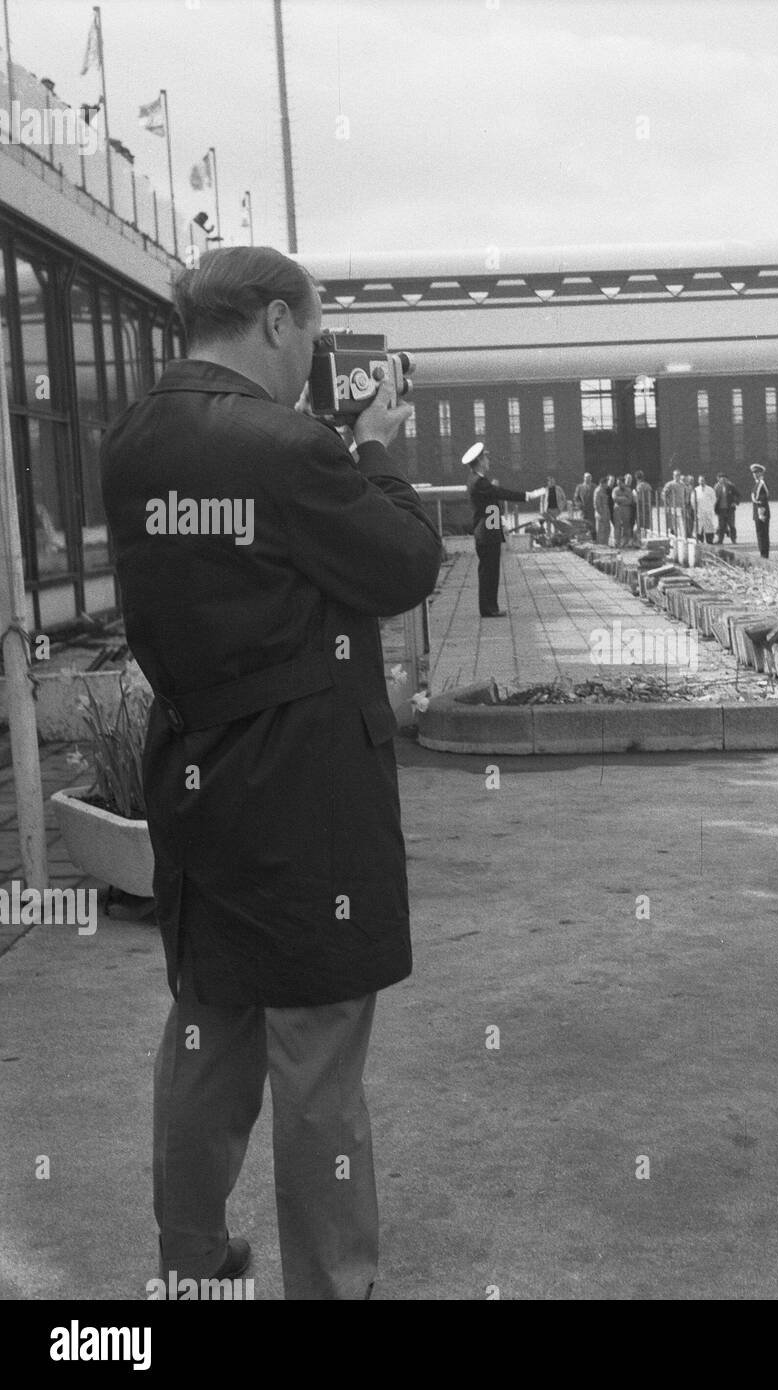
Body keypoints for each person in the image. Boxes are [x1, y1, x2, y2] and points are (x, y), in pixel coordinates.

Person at [99, 245, 443, 1299]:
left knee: (209, 1025)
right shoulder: (291, 449)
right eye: (316, 333)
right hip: (303, 789)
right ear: (278, 323)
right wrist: (375, 451)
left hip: (197, 770)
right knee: (317, 1053)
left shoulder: (133, 439)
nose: (316, 361)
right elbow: (401, 564)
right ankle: (332, 1285)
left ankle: (191, 1254)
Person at [465, 443, 542, 614]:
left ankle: (490, 607)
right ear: (479, 461)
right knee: (489, 574)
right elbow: (501, 493)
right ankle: (489, 609)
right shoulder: (479, 482)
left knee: (490, 573)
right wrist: (528, 496)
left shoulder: (475, 479)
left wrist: (500, 526)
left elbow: (491, 507)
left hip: (488, 531)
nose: (488, 461)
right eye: (485, 458)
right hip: (486, 533)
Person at [713, 471, 741, 543]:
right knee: (721, 525)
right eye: (721, 478)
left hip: (730, 509)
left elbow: (738, 495)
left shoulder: (731, 486)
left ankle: (733, 539)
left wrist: (735, 502)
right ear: (718, 479)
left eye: (724, 478)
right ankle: (720, 540)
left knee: (731, 525)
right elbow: (713, 498)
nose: (723, 480)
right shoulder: (716, 487)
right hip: (720, 509)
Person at [750, 463, 771, 558]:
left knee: (762, 534)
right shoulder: (757, 483)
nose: (754, 474)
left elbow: (762, 499)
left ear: (761, 473)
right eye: (753, 473)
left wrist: (761, 514)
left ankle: (764, 554)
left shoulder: (761, 483)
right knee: (761, 534)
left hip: (761, 513)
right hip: (757, 512)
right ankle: (763, 553)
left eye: (756, 472)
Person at [612, 474, 635, 546]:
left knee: (626, 525)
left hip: (626, 509)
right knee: (617, 525)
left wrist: (621, 499)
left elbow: (630, 500)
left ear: (623, 483)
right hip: (617, 509)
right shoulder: (615, 490)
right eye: (617, 483)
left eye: (620, 483)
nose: (618, 485)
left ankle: (625, 542)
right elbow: (615, 498)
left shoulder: (628, 490)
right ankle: (617, 542)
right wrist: (624, 498)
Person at [661, 469, 685, 538]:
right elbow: (663, 494)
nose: (677, 476)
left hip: (681, 507)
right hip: (673, 507)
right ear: (673, 476)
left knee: (681, 524)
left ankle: (682, 538)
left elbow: (684, 494)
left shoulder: (682, 484)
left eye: (678, 475)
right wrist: (668, 503)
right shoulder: (670, 484)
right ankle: (674, 538)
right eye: (675, 475)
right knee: (674, 525)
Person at [695, 474, 717, 543]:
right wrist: (696, 509)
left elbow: (714, 499)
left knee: (709, 526)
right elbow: (693, 501)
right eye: (700, 480)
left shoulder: (710, 489)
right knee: (699, 527)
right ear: (698, 481)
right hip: (699, 511)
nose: (702, 482)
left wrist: (710, 507)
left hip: (708, 511)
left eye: (703, 480)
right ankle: (700, 540)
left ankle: (710, 540)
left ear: (705, 481)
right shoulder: (696, 490)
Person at [634, 471, 654, 542]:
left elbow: (638, 498)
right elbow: (651, 496)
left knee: (640, 524)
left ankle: (641, 540)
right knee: (647, 524)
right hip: (648, 506)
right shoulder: (648, 485)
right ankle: (646, 539)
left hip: (641, 507)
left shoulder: (639, 486)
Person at [593, 475, 612, 545]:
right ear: (602, 483)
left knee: (607, 530)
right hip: (601, 513)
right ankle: (601, 545)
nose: (607, 485)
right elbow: (596, 504)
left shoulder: (604, 490)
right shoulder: (598, 491)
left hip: (606, 512)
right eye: (606, 483)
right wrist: (601, 513)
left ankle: (605, 544)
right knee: (601, 531)